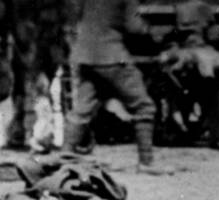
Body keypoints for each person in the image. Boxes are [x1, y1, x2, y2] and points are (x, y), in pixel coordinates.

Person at [64, 0, 165, 174]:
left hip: (86, 54)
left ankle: (64, 157)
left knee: (82, 109)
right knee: (144, 106)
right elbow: (134, 27)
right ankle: (146, 162)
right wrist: (152, 30)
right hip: (111, 54)